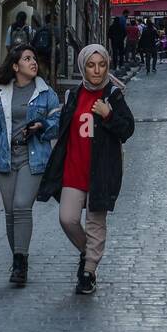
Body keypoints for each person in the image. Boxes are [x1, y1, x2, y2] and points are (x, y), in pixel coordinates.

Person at [37, 44, 134, 296]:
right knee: (67, 219)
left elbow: (127, 129)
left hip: (101, 171)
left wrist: (109, 115)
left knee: (95, 222)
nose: (97, 70)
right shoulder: (73, 96)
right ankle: (86, 251)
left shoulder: (113, 95)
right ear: (83, 67)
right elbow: (62, 130)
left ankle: (89, 271)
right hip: (74, 169)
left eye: (101, 65)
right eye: (91, 65)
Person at [0, 44, 60, 287]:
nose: (33, 62)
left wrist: (42, 126)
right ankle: (18, 258)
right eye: (27, 59)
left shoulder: (46, 93)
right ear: (15, 66)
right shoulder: (0, 97)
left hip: (34, 158)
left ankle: (20, 262)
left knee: (21, 206)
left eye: (34, 58)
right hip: (5, 160)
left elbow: (58, 122)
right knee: (10, 212)